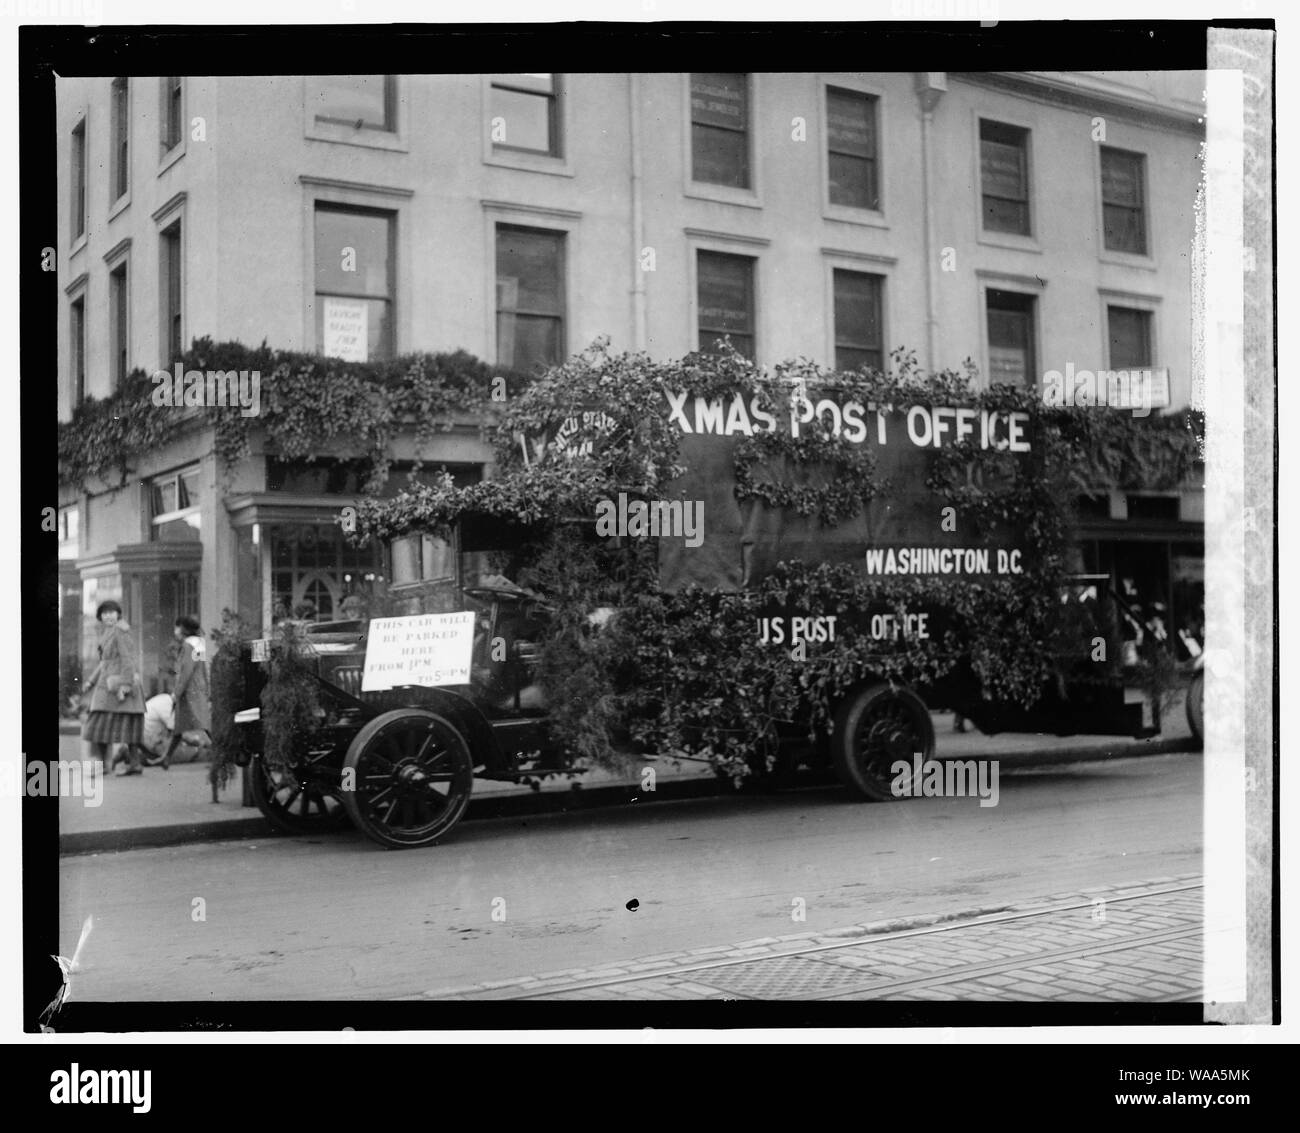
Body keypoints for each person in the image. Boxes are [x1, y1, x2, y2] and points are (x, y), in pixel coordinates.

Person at [81, 600, 148, 775]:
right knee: (100, 725)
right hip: (107, 685)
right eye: (104, 613)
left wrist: (125, 684)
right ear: (100, 617)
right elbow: (104, 662)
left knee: (125, 724)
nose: (108, 616)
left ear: (118, 614)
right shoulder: (108, 632)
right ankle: (107, 765)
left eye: (112, 612)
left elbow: (128, 660)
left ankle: (132, 764)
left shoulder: (120, 631)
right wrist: (91, 681)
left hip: (120, 686)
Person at [161, 615, 211, 771]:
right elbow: (201, 668)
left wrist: (177, 692)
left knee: (192, 725)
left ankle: (167, 758)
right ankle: (167, 758)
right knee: (188, 724)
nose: (175, 630)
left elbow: (186, 671)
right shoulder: (199, 644)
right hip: (198, 688)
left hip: (189, 691)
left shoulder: (187, 646)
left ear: (183, 629)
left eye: (177, 627)